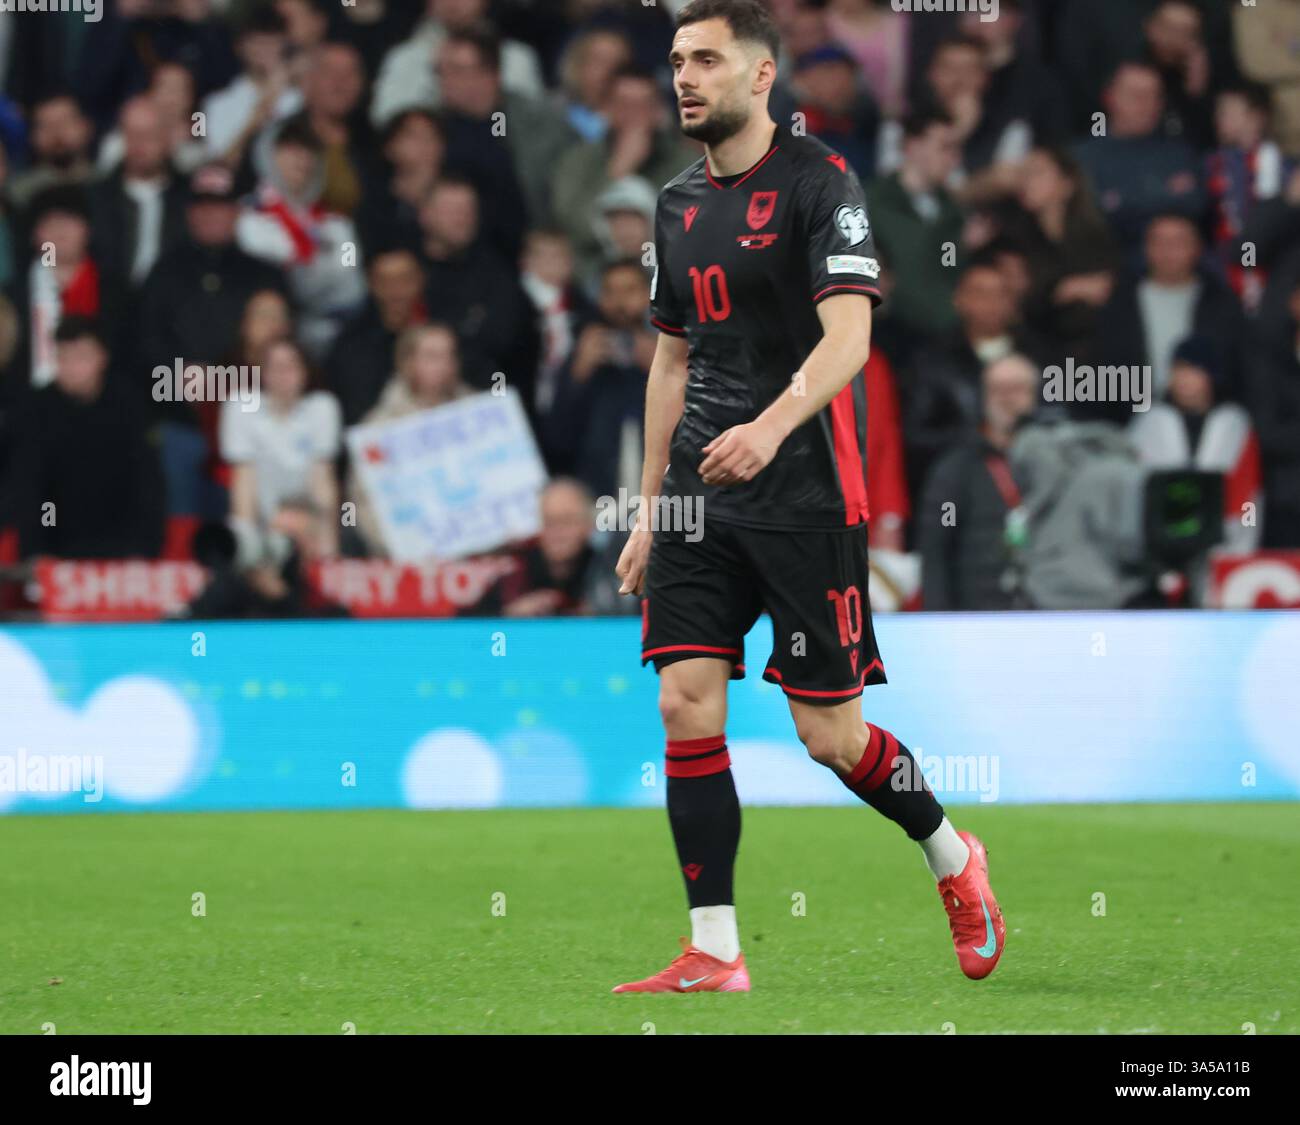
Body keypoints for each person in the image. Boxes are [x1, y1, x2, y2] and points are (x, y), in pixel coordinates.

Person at [610, 0, 1005, 995]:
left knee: (829, 736)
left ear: (760, 76)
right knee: (682, 700)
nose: (684, 77)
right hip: (703, 491)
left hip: (807, 491)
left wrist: (770, 425)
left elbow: (848, 344)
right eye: (674, 61)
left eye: (706, 59)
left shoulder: (821, 184)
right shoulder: (674, 203)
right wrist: (652, 503)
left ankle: (954, 858)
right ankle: (716, 948)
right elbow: (668, 361)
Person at [918, 353, 1039, 610]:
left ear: (1035, 395)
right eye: (997, 389)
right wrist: (939, 621)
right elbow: (935, 550)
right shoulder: (955, 468)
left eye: (1016, 388)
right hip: (977, 615)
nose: (1006, 397)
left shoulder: (1060, 462)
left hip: (1047, 612)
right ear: (983, 397)